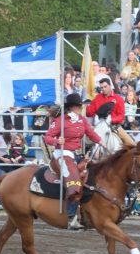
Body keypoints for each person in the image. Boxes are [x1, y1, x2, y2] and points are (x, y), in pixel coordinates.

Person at [43, 93, 102, 230]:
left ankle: (86, 214)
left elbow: (90, 133)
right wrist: (57, 141)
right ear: (72, 107)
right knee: (74, 179)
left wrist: (100, 141)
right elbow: (48, 137)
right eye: (79, 106)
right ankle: (70, 217)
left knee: (92, 177)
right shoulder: (60, 121)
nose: (81, 108)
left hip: (76, 154)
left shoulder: (82, 120)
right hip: (62, 154)